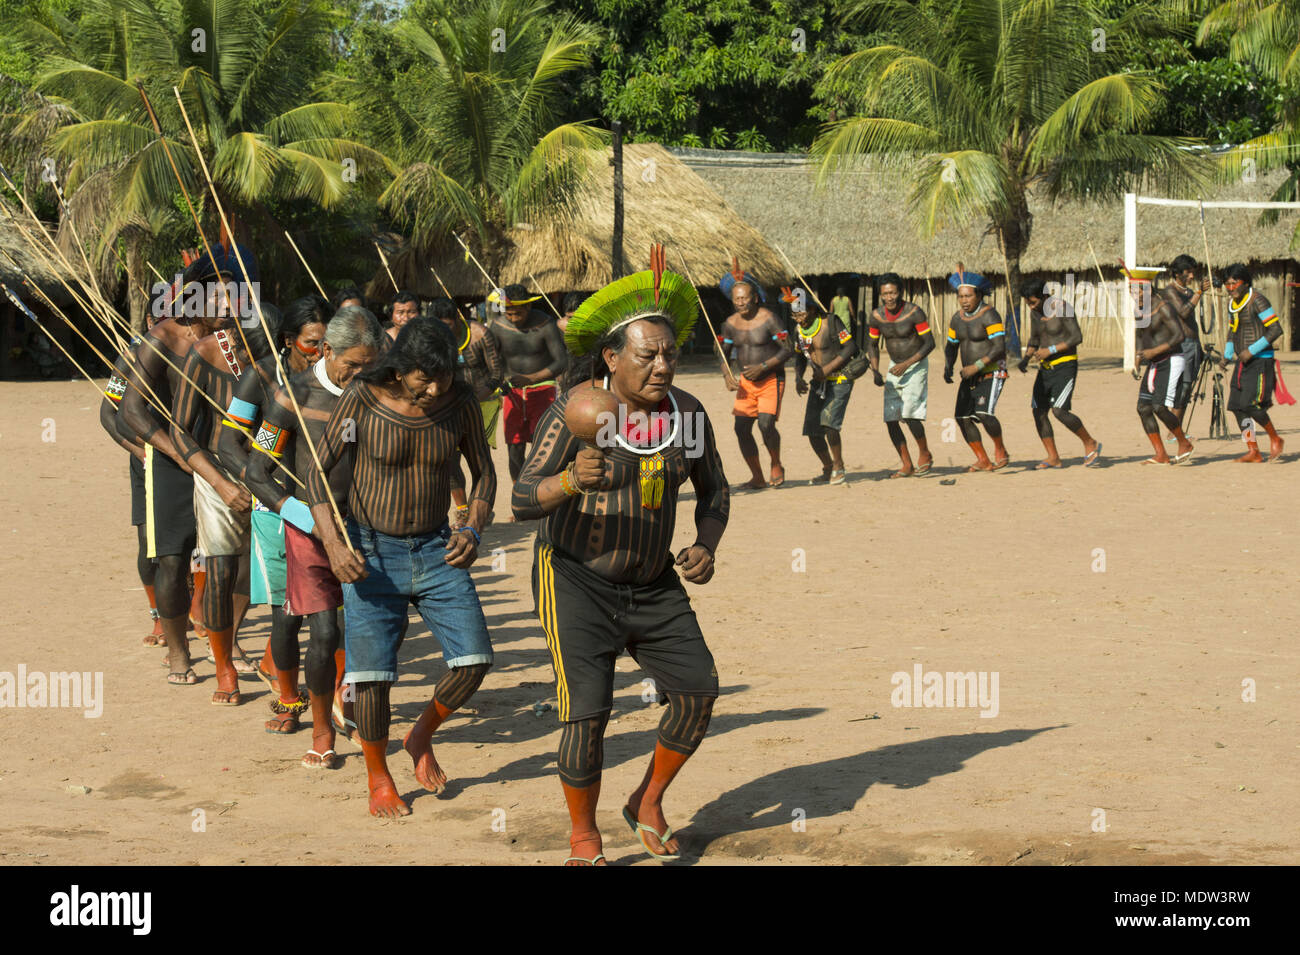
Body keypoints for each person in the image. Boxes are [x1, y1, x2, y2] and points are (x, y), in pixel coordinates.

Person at [512, 250, 728, 865]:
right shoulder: (576, 410)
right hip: (576, 578)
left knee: (699, 690)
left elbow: (716, 491)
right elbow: (523, 499)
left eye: (669, 354)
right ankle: (584, 838)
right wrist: (573, 483)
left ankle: (647, 800)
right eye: (647, 355)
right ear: (612, 358)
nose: (663, 366)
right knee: (587, 714)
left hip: (655, 581)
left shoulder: (687, 415)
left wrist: (705, 545)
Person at [307, 318, 496, 816]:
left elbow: (485, 473)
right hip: (371, 553)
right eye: (423, 379)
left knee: (475, 660)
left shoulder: (460, 403)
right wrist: (334, 543)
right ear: (400, 369)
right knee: (372, 678)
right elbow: (316, 476)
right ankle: (378, 778)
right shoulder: (363, 398)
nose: (434, 389)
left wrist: (473, 528)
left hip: (438, 548)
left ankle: (420, 736)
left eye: (443, 378)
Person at [245, 305, 385, 766]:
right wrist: (301, 517)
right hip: (308, 529)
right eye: (353, 365)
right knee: (324, 632)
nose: (361, 374)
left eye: (370, 364)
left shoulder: (381, 391)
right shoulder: (292, 396)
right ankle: (322, 727)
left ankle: (355, 705)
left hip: (369, 525)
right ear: (327, 350)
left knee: (371, 629)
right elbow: (255, 469)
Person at [118, 248, 244, 686]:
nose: (230, 310)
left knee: (232, 560)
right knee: (172, 560)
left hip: (225, 458)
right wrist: (175, 454)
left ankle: (226, 646)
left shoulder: (239, 341)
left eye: (235, 300)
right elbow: (128, 411)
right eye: (221, 301)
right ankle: (178, 653)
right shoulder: (163, 339)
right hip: (171, 460)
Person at [217, 295, 328, 727]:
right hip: (279, 508)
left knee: (331, 613)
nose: (322, 353)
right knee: (288, 610)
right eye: (312, 344)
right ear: (289, 341)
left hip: (331, 510)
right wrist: (263, 485)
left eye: (327, 344)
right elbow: (230, 444)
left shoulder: (338, 380)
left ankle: (336, 699)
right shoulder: (261, 376)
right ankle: (288, 699)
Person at [170, 271, 277, 705]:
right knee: (218, 569)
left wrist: (268, 472)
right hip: (217, 475)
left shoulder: (275, 357)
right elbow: (180, 430)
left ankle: (234, 642)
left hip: (266, 476)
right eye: (219, 300)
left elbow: (279, 424)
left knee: (252, 574)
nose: (228, 308)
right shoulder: (198, 352)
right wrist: (217, 480)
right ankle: (223, 668)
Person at [100, 325, 164, 646]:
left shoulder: (192, 349)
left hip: (186, 457)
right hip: (144, 460)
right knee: (147, 540)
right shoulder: (129, 357)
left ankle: (192, 610)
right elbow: (107, 413)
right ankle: (158, 616)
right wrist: (138, 451)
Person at [430, 297, 505, 528]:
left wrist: (473, 397)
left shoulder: (481, 334)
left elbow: (496, 375)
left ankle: (481, 507)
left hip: (483, 403)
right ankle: (463, 511)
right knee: (450, 459)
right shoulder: (434, 339)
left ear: (458, 319)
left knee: (479, 458)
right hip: (449, 406)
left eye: (449, 325)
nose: (446, 330)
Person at [719, 260, 792, 488]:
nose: (741, 302)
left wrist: (763, 366)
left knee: (765, 424)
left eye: (745, 298)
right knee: (741, 429)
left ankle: (776, 463)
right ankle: (757, 476)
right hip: (746, 384)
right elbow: (724, 353)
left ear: (755, 297)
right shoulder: (729, 324)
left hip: (771, 379)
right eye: (737, 299)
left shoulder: (769, 319)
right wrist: (727, 374)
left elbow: (788, 348)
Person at [487, 283, 569, 483]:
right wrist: (498, 380)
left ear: (529, 307)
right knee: (514, 446)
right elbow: (491, 360)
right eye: (509, 314)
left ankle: (540, 492)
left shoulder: (545, 324)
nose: (514, 319)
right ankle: (519, 495)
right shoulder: (498, 326)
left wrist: (531, 379)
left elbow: (561, 361)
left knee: (542, 444)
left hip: (543, 391)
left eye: (518, 314)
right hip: (512, 393)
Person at [1019, 280, 1101, 468]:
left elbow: (1076, 337)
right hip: (1045, 369)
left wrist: (1051, 350)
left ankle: (1090, 442)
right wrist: (1026, 358)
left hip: (1065, 365)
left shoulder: (1063, 308)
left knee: (1059, 411)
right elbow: (1035, 338)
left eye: (1033, 302)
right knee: (1038, 411)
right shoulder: (1035, 313)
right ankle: (1053, 457)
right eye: (1028, 303)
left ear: (1045, 297)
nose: (1031, 306)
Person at [865, 273, 934, 477]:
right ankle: (906, 464)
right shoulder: (876, 316)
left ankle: (925, 453)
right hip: (895, 366)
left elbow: (930, 343)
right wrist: (875, 370)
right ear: (880, 294)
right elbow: (872, 344)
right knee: (891, 417)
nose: (889, 297)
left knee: (910, 413)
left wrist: (907, 363)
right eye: (885, 293)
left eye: (893, 292)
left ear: (900, 292)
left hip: (916, 364)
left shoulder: (914, 312)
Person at [1125, 267, 1193, 465]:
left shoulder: (1164, 307)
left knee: (1158, 406)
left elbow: (1179, 336)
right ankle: (1161, 454)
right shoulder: (1139, 310)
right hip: (1154, 363)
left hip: (1171, 360)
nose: (1134, 295)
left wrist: (1153, 352)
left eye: (1137, 290)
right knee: (1143, 408)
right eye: (1131, 290)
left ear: (1148, 290)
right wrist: (1138, 359)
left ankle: (1184, 442)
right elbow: (1139, 335)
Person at [943, 271, 1010, 471]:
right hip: (969, 375)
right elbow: (951, 345)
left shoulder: (989, 314)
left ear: (979, 295)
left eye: (968, 296)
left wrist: (977, 366)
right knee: (962, 417)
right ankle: (983, 459)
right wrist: (948, 366)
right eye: (961, 296)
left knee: (983, 413)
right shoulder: (957, 319)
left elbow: (999, 348)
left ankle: (1000, 449)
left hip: (992, 371)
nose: (964, 300)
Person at [788, 288, 855, 484]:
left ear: (812, 309)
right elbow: (799, 357)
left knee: (829, 425)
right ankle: (827, 467)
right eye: (794, 314)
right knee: (811, 430)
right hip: (818, 382)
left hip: (840, 379)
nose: (799, 318)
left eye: (801, 312)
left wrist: (828, 369)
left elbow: (851, 347)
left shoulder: (831, 322)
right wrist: (798, 378)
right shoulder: (798, 331)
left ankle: (839, 466)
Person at [1220, 263, 1285, 462]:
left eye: (1234, 283)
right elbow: (1233, 330)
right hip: (1242, 362)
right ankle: (1253, 450)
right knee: (1237, 407)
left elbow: (1275, 329)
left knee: (1250, 404)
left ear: (1245, 282)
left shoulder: (1258, 300)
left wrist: (1251, 350)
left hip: (1259, 362)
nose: (1230, 288)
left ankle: (1275, 438)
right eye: (1227, 284)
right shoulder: (1233, 304)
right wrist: (1227, 355)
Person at [1162, 255, 1211, 429]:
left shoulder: (1188, 293)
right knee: (1181, 389)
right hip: (1180, 346)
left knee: (1188, 388)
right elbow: (1183, 312)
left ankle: (1177, 430)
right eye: (1188, 272)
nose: (1191, 276)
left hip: (1193, 345)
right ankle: (1173, 431)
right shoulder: (1169, 292)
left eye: (1193, 273)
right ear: (1177, 273)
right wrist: (1199, 293)